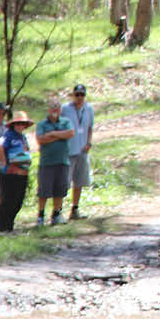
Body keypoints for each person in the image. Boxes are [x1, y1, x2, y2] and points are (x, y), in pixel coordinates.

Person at [0, 110, 35, 235]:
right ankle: (3, 228)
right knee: (8, 200)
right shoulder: (9, 135)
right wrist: (5, 162)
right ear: (13, 125)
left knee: (17, 201)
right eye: (18, 123)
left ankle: (10, 227)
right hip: (9, 174)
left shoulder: (23, 137)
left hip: (21, 175)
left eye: (23, 123)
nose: (20, 126)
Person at [34, 98, 75, 226]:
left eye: (57, 108)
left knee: (60, 190)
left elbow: (70, 133)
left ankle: (56, 214)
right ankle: (41, 216)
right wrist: (59, 136)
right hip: (47, 162)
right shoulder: (42, 124)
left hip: (62, 161)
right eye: (52, 108)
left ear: (60, 109)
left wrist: (52, 134)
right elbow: (40, 139)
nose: (55, 110)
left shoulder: (66, 122)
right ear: (48, 109)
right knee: (44, 191)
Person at [61, 83, 95, 219]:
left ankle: (75, 209)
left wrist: (89, 142)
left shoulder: (89, 109)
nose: (79, 97)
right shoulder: (65, 109)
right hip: (69, 150)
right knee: (65, 181)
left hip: (83, 149)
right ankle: (58, 211)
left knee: (80, 181)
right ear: (73, 95)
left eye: (82, 95)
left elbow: (90, 127)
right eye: (77, 95)